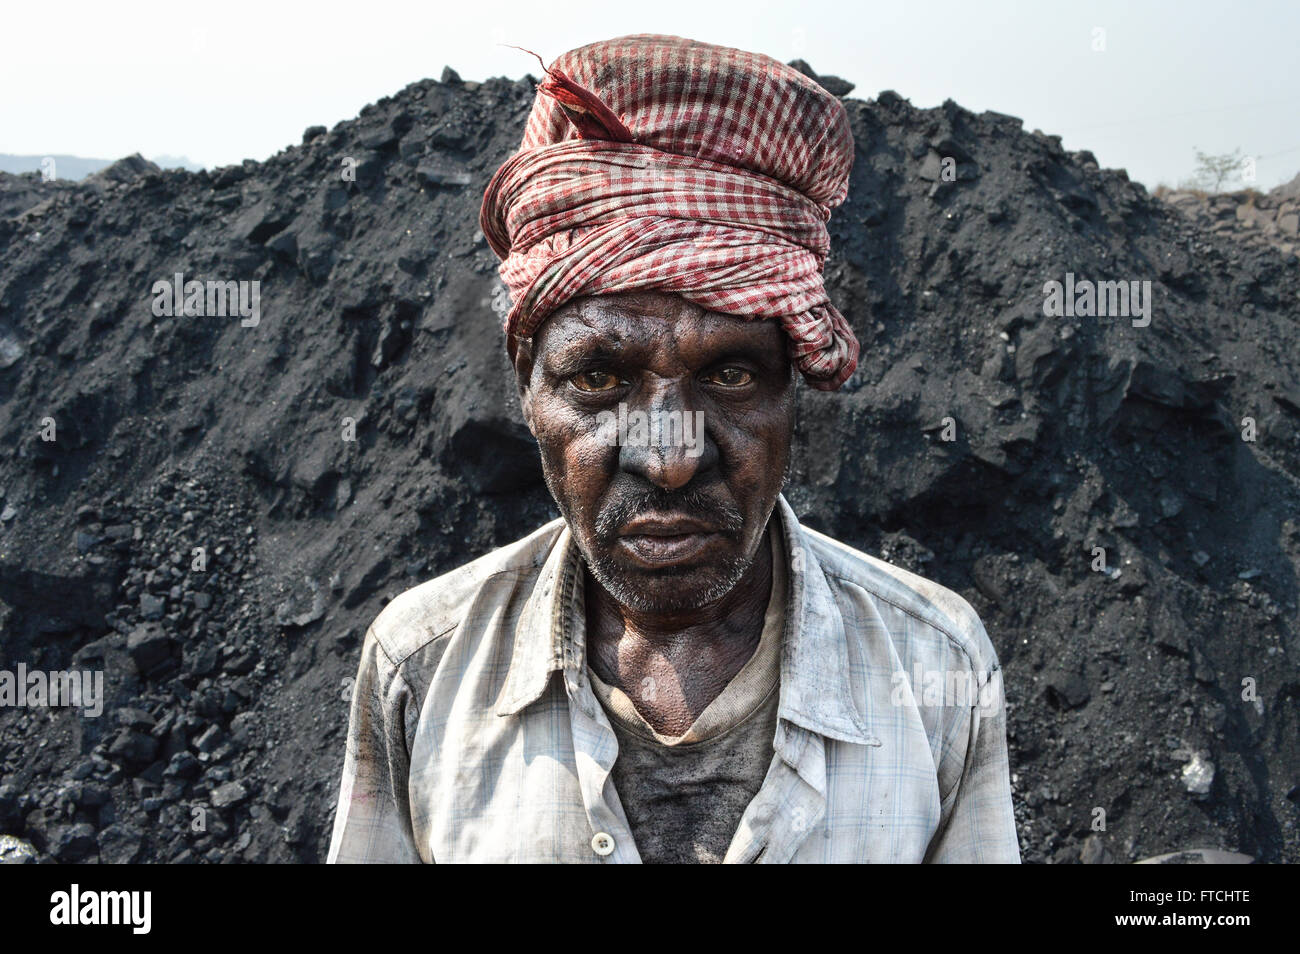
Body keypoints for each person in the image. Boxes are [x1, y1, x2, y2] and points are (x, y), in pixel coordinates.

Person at [327, 33, 1019, 863]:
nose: (670, 460)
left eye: (728, 376)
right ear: (527, 383)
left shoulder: (934, 669)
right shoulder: (421, 669)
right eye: (599, 381)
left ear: (790, 389)